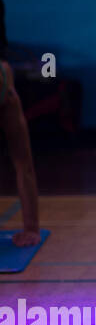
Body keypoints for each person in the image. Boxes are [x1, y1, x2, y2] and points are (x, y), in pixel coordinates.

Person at [0, 58, 40, 248]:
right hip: (5, 87)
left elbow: (25, 167)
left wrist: (31, 229)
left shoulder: (6, 86)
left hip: (6, 91)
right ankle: (32, 229)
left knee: (23, 163)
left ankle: (32, 228)